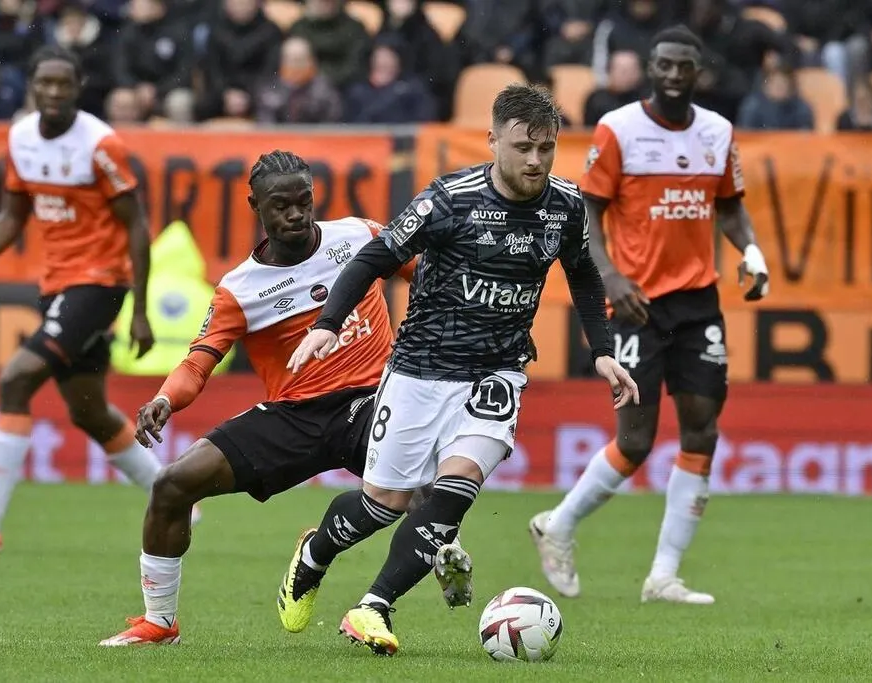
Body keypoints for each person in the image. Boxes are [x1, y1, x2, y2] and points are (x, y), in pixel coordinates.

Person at [277, 83, 639, 656]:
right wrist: (327, 323)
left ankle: (373, 607)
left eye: (547, 148)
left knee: (456, 489)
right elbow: (376, 256)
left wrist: (601, 349)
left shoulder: (566, 206)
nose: (537, 160)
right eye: (524, 147)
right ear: (493, 140)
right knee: (381, 506)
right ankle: (314, 553)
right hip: (419, 371)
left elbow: (584, 275)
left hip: (496, 373)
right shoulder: (450, 199)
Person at [98, 150, 446, 647]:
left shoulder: (360, 236)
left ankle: (383, 595)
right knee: (173, 484)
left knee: (427, 491)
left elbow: (429, 278)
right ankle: (160, 622)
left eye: (304, 202)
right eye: (281, 205)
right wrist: (164, 400)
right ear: (254, 205)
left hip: (374, 397)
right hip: (296, 416)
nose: (296, 215)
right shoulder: (239, 289)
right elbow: (200, 361)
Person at [528, 26, 770, 605]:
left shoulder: (717, 132)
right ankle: (557, 524)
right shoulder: (619, 129)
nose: (670, 74)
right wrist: (610, 275)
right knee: (635, 441)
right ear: (652, 68)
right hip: (638, 304)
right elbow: (587, 211)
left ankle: (664, 575)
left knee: (702, 431)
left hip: (698, 302)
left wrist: (754, 254)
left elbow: (730, 209)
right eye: (661, 64)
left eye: (682, 65)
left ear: (697, 71)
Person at [0, 45, 174, 554]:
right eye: (46, 83)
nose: (55, 92)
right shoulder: (20, 137)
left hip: (100, 283)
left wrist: (142, 310)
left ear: (79, 87)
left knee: (15, 378)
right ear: (33, 86)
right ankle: (172, 494)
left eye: (65, 84)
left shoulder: (101, 145)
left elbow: (138, 226)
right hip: (57, 284)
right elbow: (12, 217)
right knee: (89, 412)